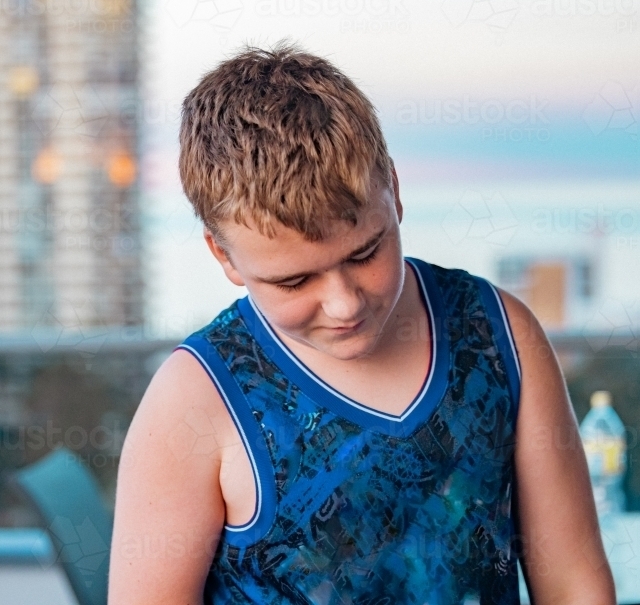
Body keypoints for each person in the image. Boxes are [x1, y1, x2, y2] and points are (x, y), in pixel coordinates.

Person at [108, 42, 616, 604]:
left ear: (394, 191)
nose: (345, 303)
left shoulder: (500, 335)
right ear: (224, 256)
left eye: (365, 252)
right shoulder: (194, 402)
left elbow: (573, 583)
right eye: (294, 282)